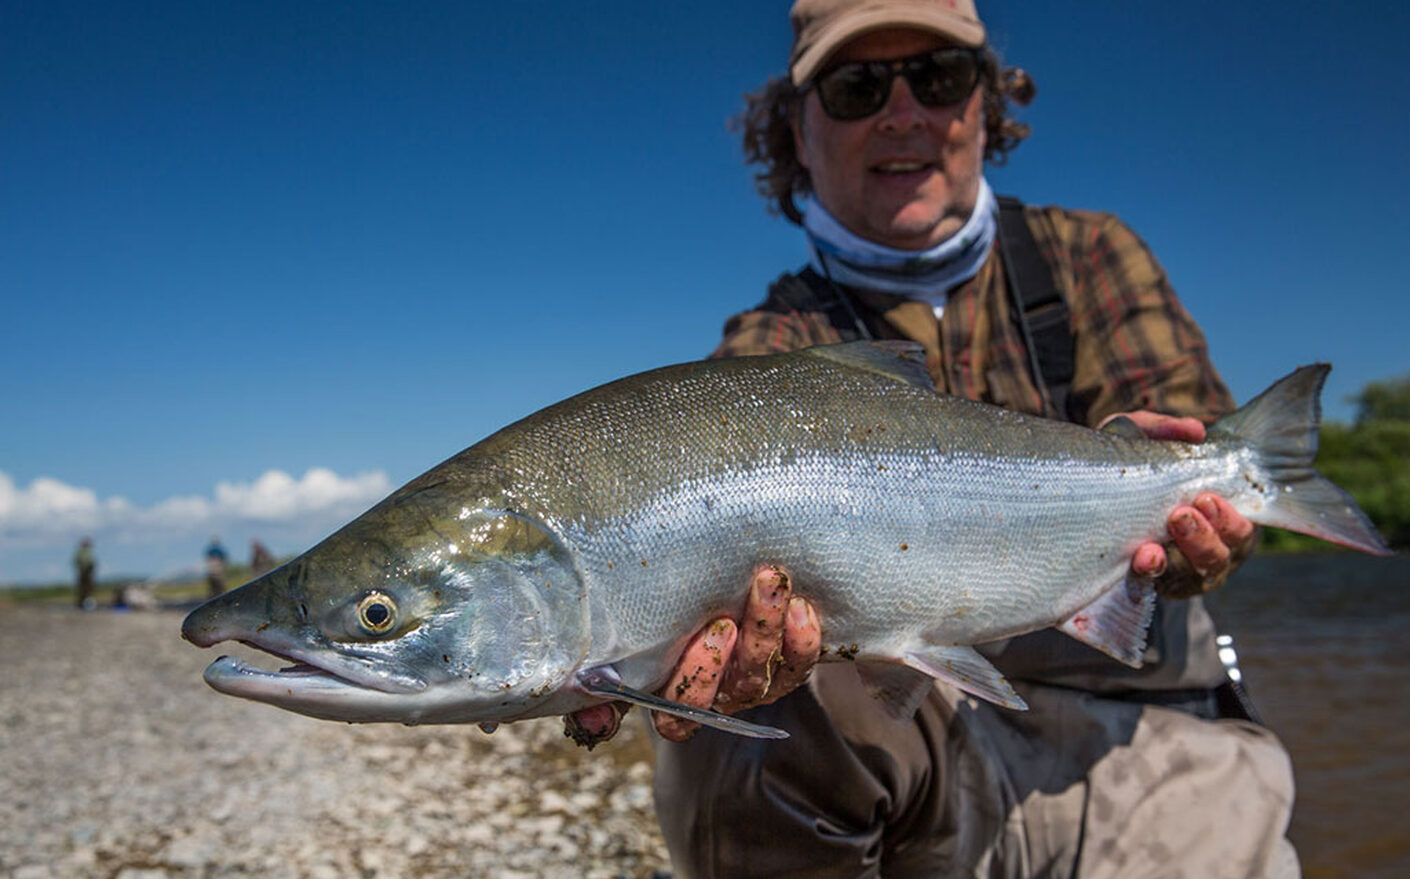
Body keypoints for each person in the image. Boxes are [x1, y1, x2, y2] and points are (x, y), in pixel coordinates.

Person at [565, 2, 1299, 877]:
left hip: (1150, 742)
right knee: (739, 730)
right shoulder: (771, 346)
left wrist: (1186, 513)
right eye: (857, 87)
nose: (903, 112)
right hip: (918, 751)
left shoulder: (1090, 256)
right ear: (798, 132)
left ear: (986, 104)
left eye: (939, 78)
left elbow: (1205, 497)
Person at [73, 537, 96, 610]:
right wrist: (81, 568)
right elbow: (77, 561)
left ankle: (88, 604)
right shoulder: (80, 552)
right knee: (82, 589)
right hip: (82, 573)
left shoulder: (89, 552)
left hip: (89, 573)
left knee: (89, 589)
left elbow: (92, 562)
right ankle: (81, 604)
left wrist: (91, 568)